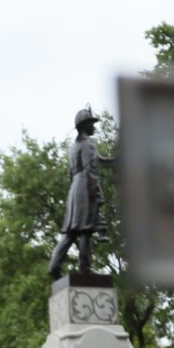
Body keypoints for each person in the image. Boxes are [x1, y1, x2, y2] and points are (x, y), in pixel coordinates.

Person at [45, 106, 111, 279]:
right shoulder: (89, 145)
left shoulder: (73, 148)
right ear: (84, 126)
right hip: (86, 186)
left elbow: (71, 172)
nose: (94, 128)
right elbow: (91, 170)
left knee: (72, 232)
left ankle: (54, 266)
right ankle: (85, 268)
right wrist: (97, 194)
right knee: (87, 229)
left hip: (75, 188)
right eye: (92, 124)